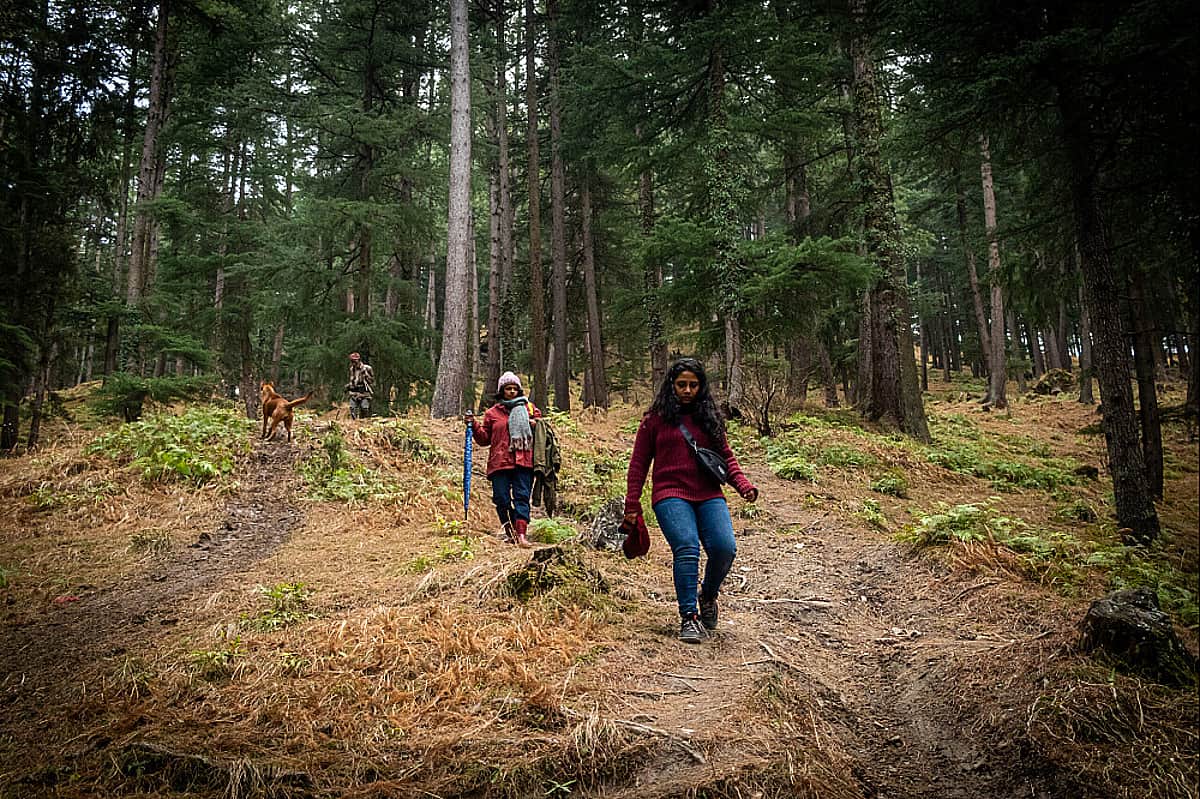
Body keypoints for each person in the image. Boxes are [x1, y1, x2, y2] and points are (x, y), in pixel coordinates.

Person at [624, 358, 758, 643]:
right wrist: (632, 505)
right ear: (671, 385)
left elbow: (727, 459)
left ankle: (707, 596)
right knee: (686, 546)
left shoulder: (709, 418)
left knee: (725, 548)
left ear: (701, 387)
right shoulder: (654, 420)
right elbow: (638, 464)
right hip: (670, 494)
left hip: (709, 494)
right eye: (681, 384)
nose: (687, 390)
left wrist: (743, 485)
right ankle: (689, 617)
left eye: (693, 385)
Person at [465, 371, 542, 546]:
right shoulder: (492, 413)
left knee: (522, 497)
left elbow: (543, 429)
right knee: (501, 499)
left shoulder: (530, 409)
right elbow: (484, 439)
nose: (512, 391)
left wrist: (535, 424)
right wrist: (473, 425)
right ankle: (510, 531)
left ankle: (521, 534)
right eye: (508, 388)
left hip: (523, 461)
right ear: (502, 390)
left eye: (515, 388)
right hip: (499, 463)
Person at [345, 352, 374, 419]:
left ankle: (364, 423)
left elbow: (372, 381)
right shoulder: (352, 369)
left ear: (359, 360)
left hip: (364, 392)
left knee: (365, 409)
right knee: (352, 409)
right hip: (354, 392)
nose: (354, 363)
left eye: (355, 361)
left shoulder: (367, 368)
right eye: (352, 361)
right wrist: (348, 386)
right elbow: (352, 381)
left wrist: (366, 376)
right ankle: (355, 424)